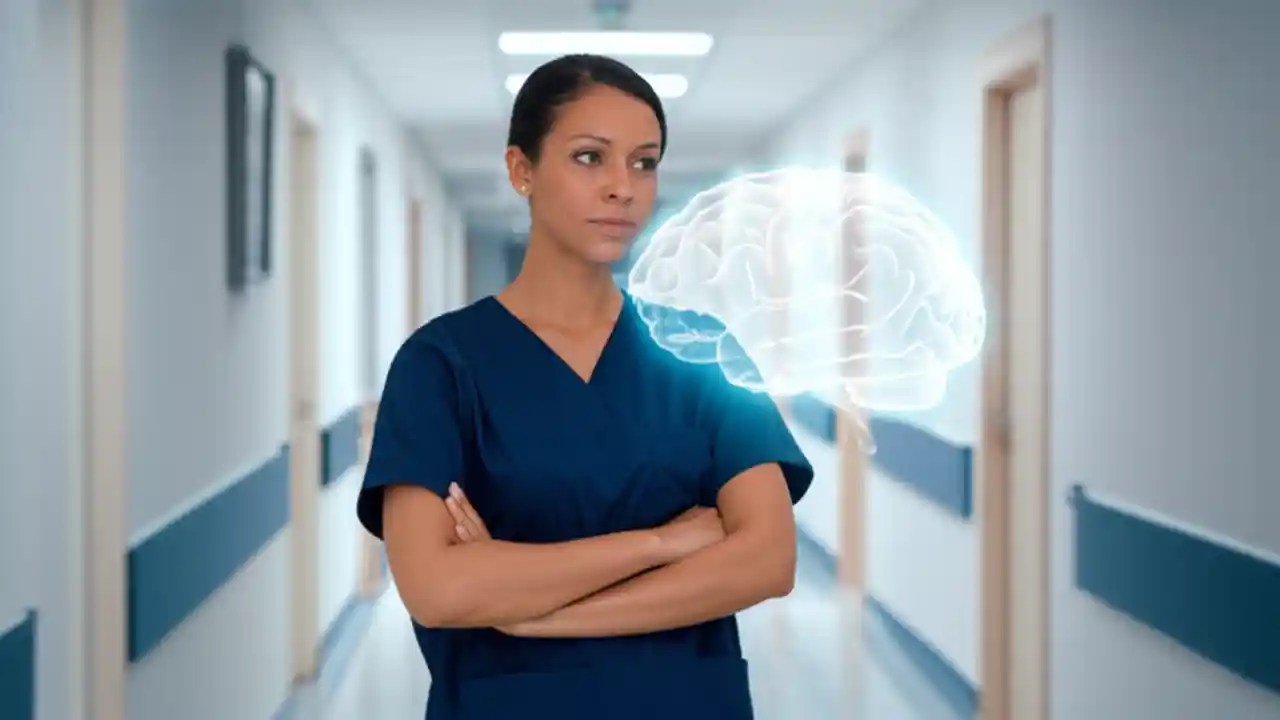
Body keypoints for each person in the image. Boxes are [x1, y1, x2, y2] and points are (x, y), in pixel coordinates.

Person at [355, 53, 814, 720]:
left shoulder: (701, 353)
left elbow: (767, 559)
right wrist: (660, 543)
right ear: (522, 170)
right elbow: (437, 589)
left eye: (644, 161)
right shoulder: (440, 365)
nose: (622, 187)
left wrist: (529, 613)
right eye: (590, 157)